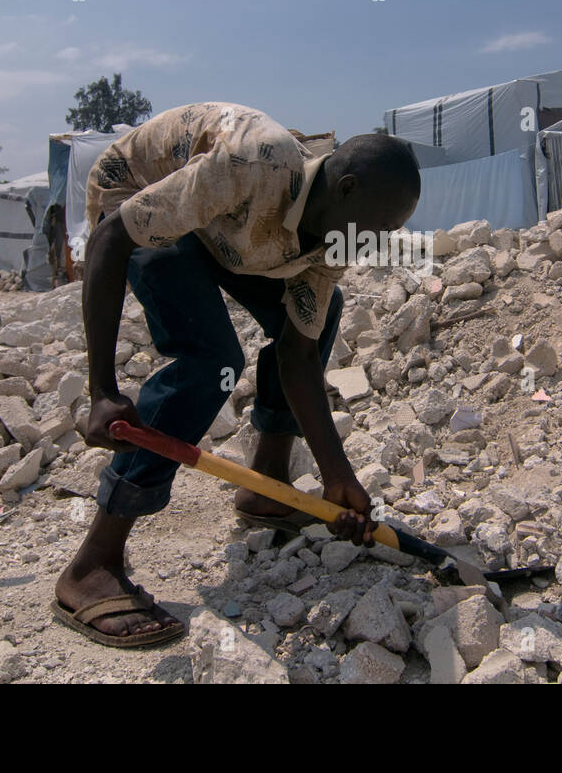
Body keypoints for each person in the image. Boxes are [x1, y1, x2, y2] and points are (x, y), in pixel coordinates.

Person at [52, 101, 420, 646]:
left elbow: (297, 354)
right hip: (136, 194)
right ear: (345, 191)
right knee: (212, 361)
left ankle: (265, 487)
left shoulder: (336, 236)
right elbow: (110, 238)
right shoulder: (254, 164)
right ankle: (92, 564)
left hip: (218, 221)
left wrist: (336, 475)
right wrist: (101, 392)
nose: (380, 241)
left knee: (321, 312)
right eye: (382, 226)